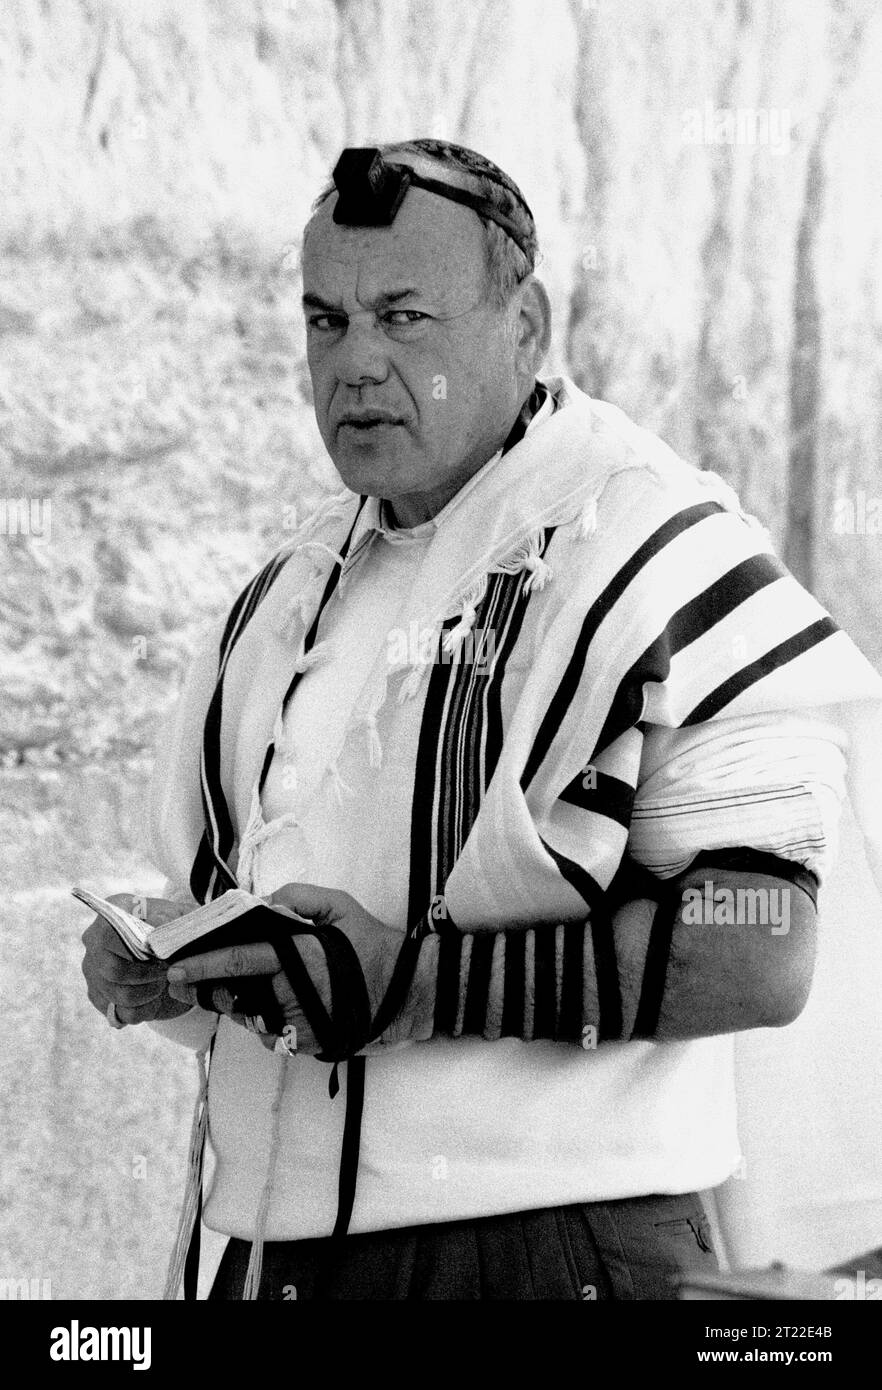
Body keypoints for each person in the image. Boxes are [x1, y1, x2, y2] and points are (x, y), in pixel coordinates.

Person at [80, 139, 882, 1300]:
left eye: (404, 316)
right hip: (267, 1256)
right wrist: (174, 960)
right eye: (325, 321)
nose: (355, 364)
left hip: (542, 1258)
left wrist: (410, 984)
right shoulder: (289, 591)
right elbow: (296, 940)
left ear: (526, 325)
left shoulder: (655, 546)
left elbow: (757, 952)